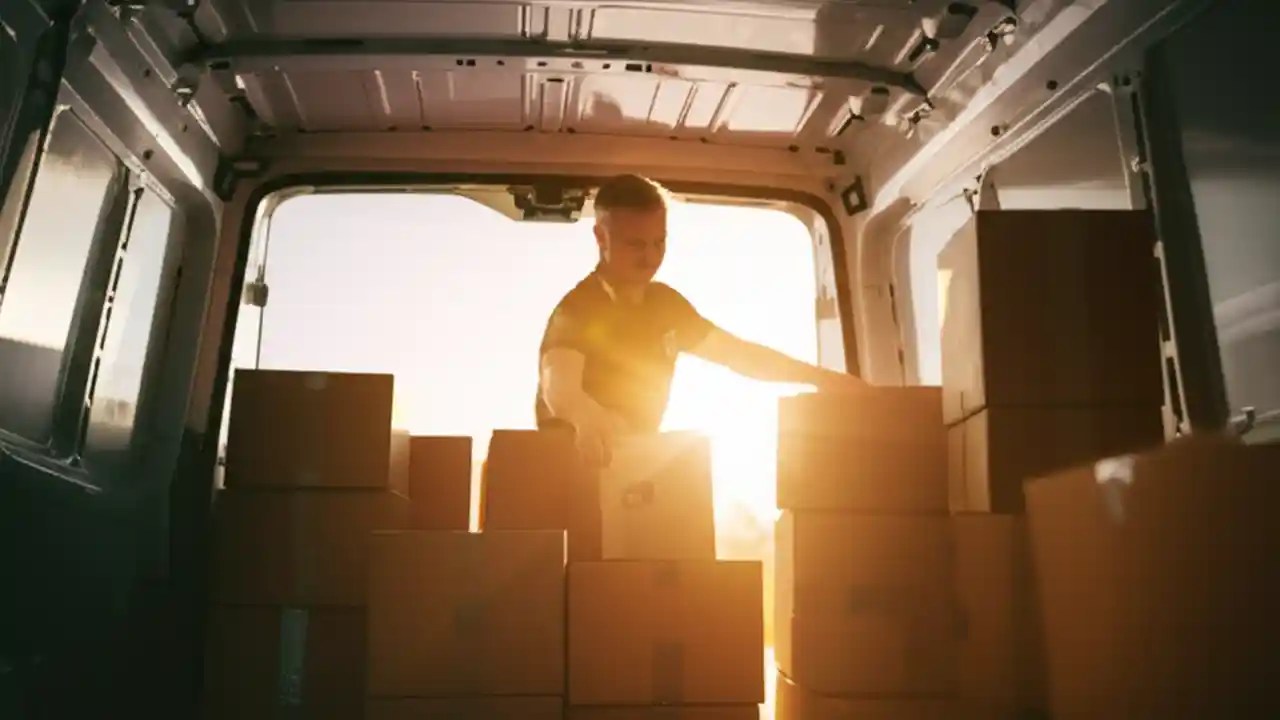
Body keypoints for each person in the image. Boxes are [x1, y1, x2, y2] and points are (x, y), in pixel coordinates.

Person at [536, 173, 869, 467]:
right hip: (575, 463)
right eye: (635, 244)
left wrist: (822, 378)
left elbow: (739, 355)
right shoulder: (579, 307)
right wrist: (585, 415)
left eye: (659, 242)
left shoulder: (666, 304)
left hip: (635, 460)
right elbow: (558, 384)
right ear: (601, 237)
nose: (650, 257)